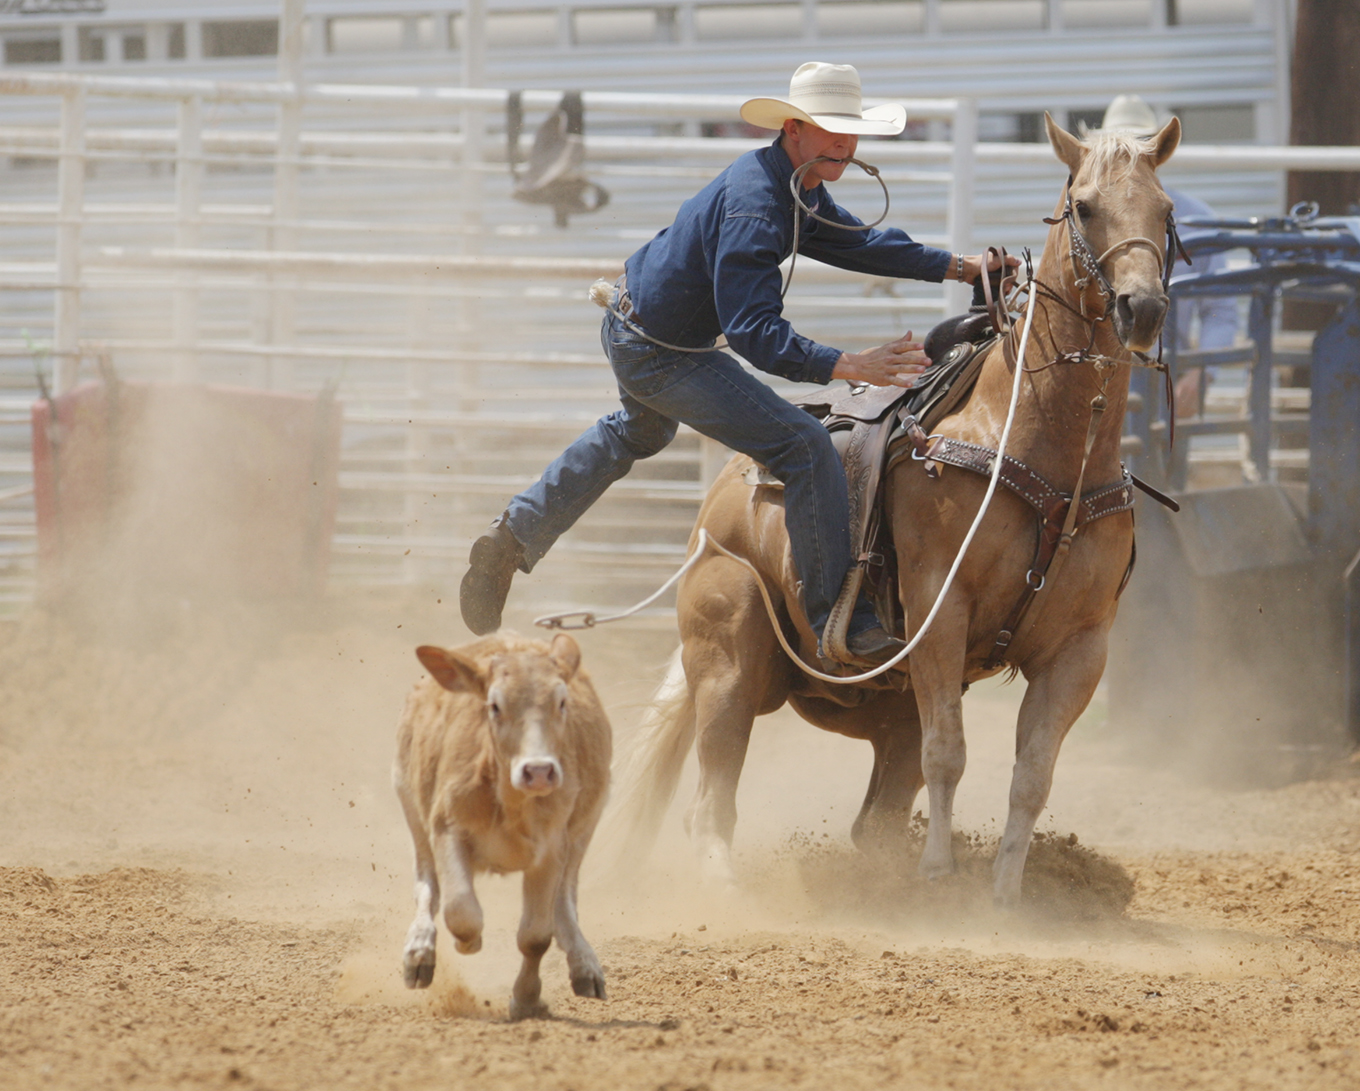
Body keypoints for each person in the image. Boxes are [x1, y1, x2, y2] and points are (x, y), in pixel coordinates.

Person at [460, 62, 1009, 667]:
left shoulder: (788, 183)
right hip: (661, 352)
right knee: (804, 448)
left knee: (637, 431)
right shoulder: (759, 206)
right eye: (832, 130)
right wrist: (852, 364)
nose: (846, 145)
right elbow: (753, 332)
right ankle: (835, 622)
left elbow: (859, 241)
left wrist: (961, 266)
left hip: (637, 326)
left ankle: (512, 536)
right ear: (795, 128)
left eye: (851, 134)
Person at [1087, 95, 1238, 417]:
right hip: (1100, 374)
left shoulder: (1196, 219)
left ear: (1158, 152)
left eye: (1141, 145)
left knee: (1166, 460)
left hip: (1168, 373)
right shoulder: (1086, 217)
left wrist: (1201, 374)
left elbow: (1221, 311)